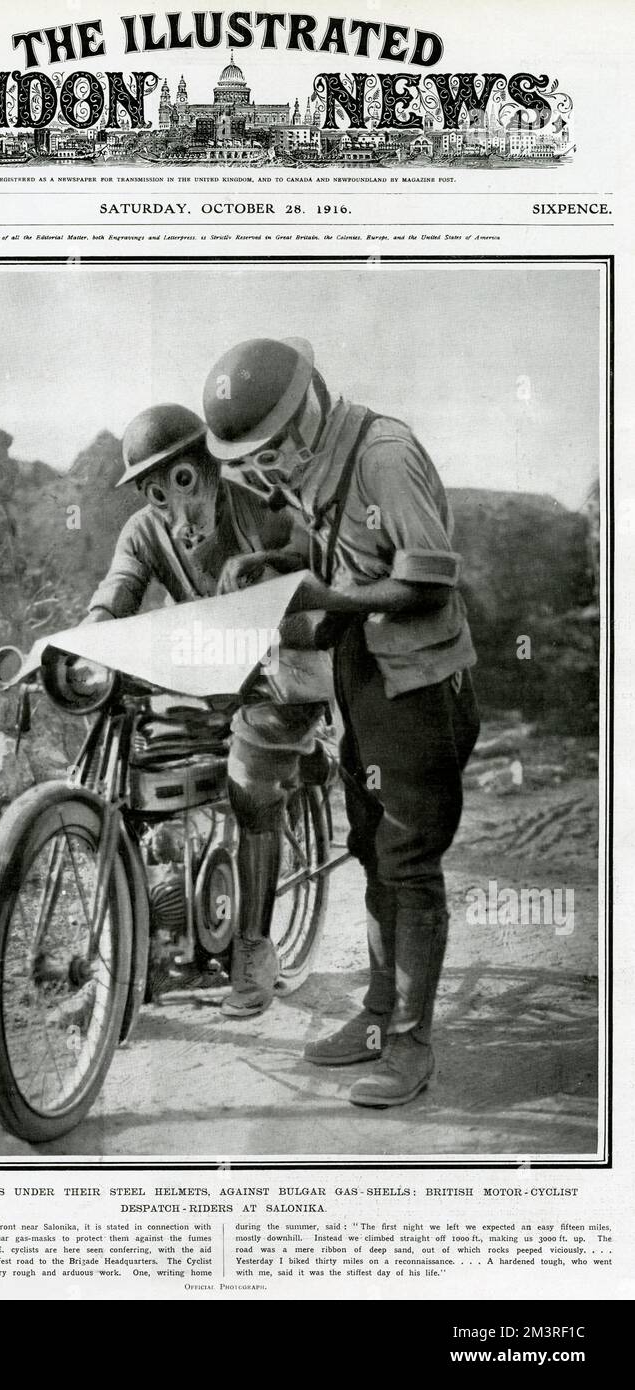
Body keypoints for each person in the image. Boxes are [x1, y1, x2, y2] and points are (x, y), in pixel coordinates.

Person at [202, 338, 480, 1107]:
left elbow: (428, 584)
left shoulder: (383, 457)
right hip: (362, 672)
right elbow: (328, 550)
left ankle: (411, 1048)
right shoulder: (312, 459)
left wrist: (322, 599)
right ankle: (378, 1018)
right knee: (371, 849)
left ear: (307, 412)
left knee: (408, 863)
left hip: (419, 685)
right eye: (251, 462)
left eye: (269, 454)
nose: (267, 474)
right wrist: (274, 571)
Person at [75, 402, 332, 1018]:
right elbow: (117, 590)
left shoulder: (260, 506)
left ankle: (254, 948)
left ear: (209, 465)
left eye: (183, 479)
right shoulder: (143, 531)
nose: (175, 503)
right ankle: (133, 954)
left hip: (283, 664)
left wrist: (268, 571)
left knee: (251, 785)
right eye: (156, 490)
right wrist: (88, 638)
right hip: (209, 670)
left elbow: (318, 562)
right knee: (123, 779)